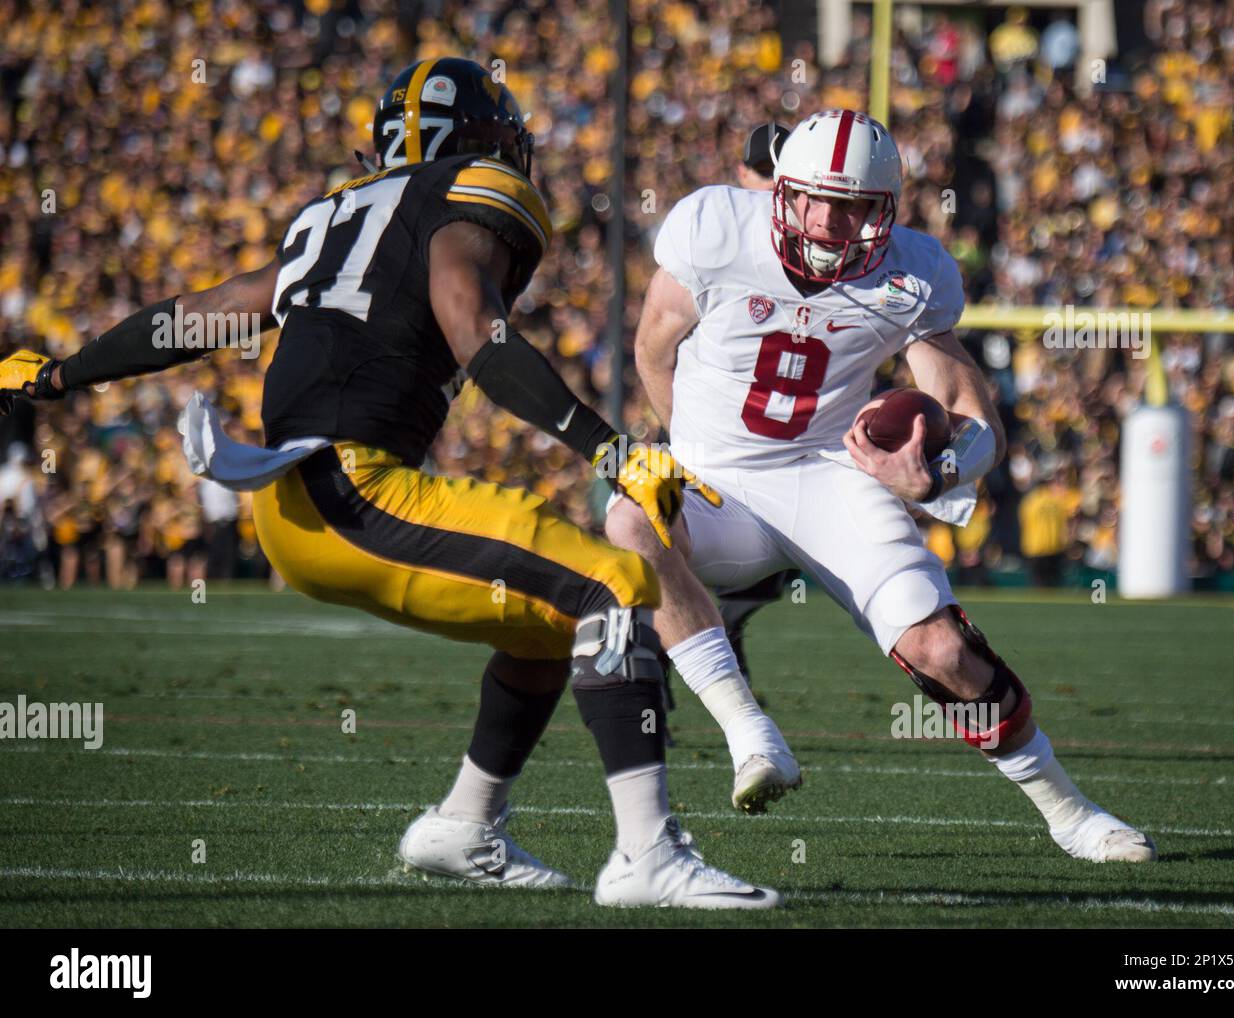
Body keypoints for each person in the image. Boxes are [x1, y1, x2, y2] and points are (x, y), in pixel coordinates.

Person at [0, 57, 780, 908]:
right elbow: (476, 331)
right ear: (484, 140)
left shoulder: (330, 216)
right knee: (614, 584)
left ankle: (465, 822)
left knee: (541, 626)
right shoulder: (471, 193)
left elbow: (202, 312)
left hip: (294, 508)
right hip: (355, 489)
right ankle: (647, 857)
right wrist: (608, 448)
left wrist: (65, 373)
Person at [606, 109, 1156, 863]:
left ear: (886, 209)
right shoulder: (713, 230)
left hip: (828, 477)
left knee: (942, 650)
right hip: (718, 484)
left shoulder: (910, 273)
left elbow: (976, 421)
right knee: (630, 521)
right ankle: (748, 731)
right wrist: (693, 451)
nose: (832, 223)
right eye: (818, 199)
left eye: (856, 206)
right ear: (782, 191)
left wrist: (934, 471)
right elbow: (651, 348)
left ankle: (1070, 812)